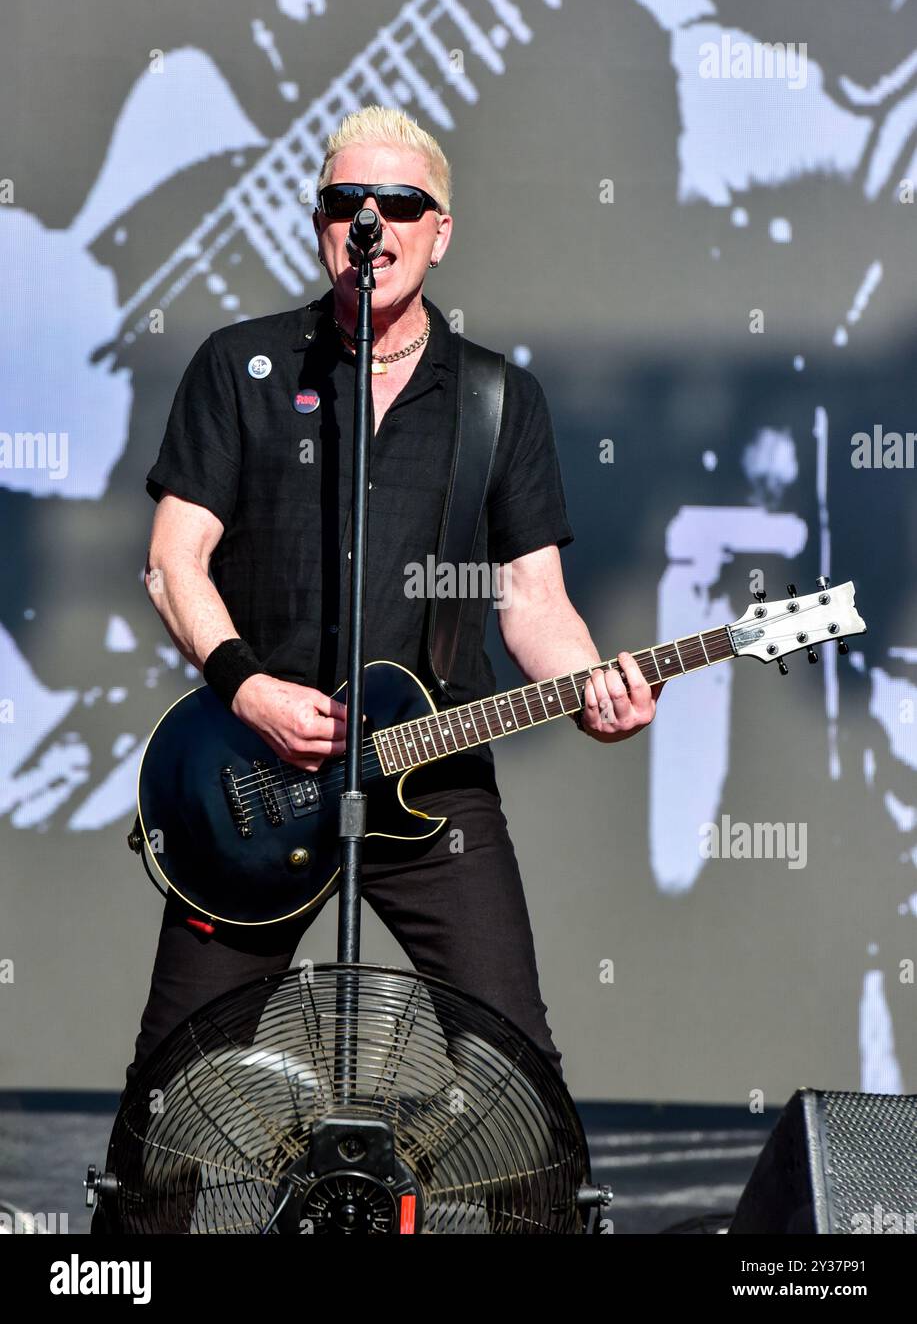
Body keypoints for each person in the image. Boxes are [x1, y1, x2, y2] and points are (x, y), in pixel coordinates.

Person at [95, 106, 662, 1229]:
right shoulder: (241, 367)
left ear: (438, 229)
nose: (370, 221)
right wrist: (245, 686)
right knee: (175, 1079)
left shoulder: (498, 398)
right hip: (251, 783)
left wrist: (595, 681)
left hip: (431, 782)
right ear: (318, 226)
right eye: (343, 203)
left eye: (396, 204)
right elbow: (173, 562)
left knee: (514, 1066)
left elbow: (532, 602)